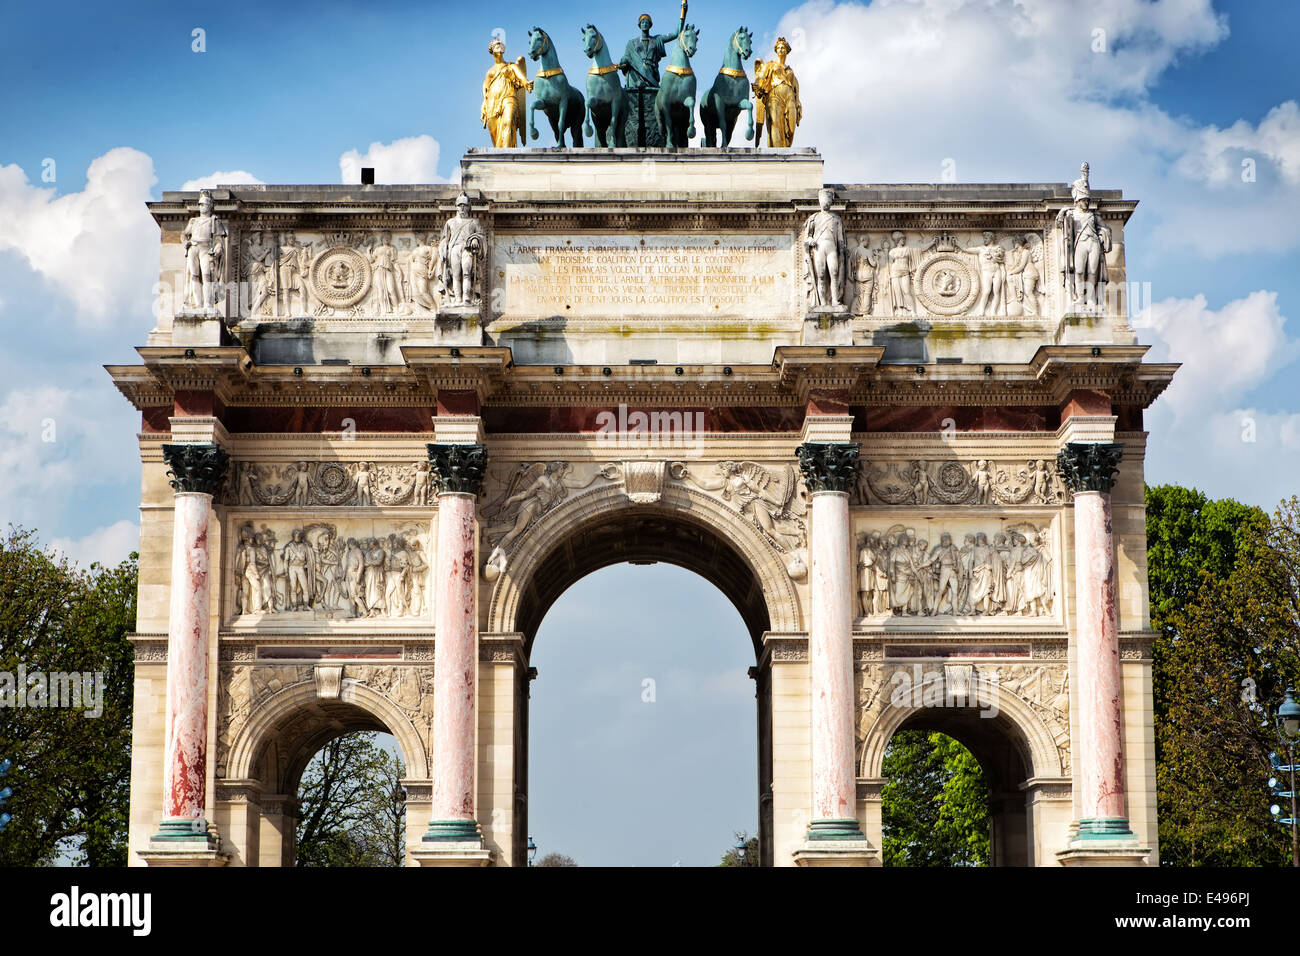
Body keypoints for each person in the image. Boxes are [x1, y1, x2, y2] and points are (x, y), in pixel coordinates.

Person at [481, 36, 531, 147]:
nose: (500, 47)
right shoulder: (489, 72)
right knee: (494, 133)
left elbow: (521, 77)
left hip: (509, 98)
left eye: (501, 45)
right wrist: (484, 104)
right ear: (492, 50)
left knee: (508, 122)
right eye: (497, 45)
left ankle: (506, 154)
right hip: (492, 104)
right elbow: (486, 87)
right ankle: (500, 155)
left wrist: (526, 83)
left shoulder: (511, 66)